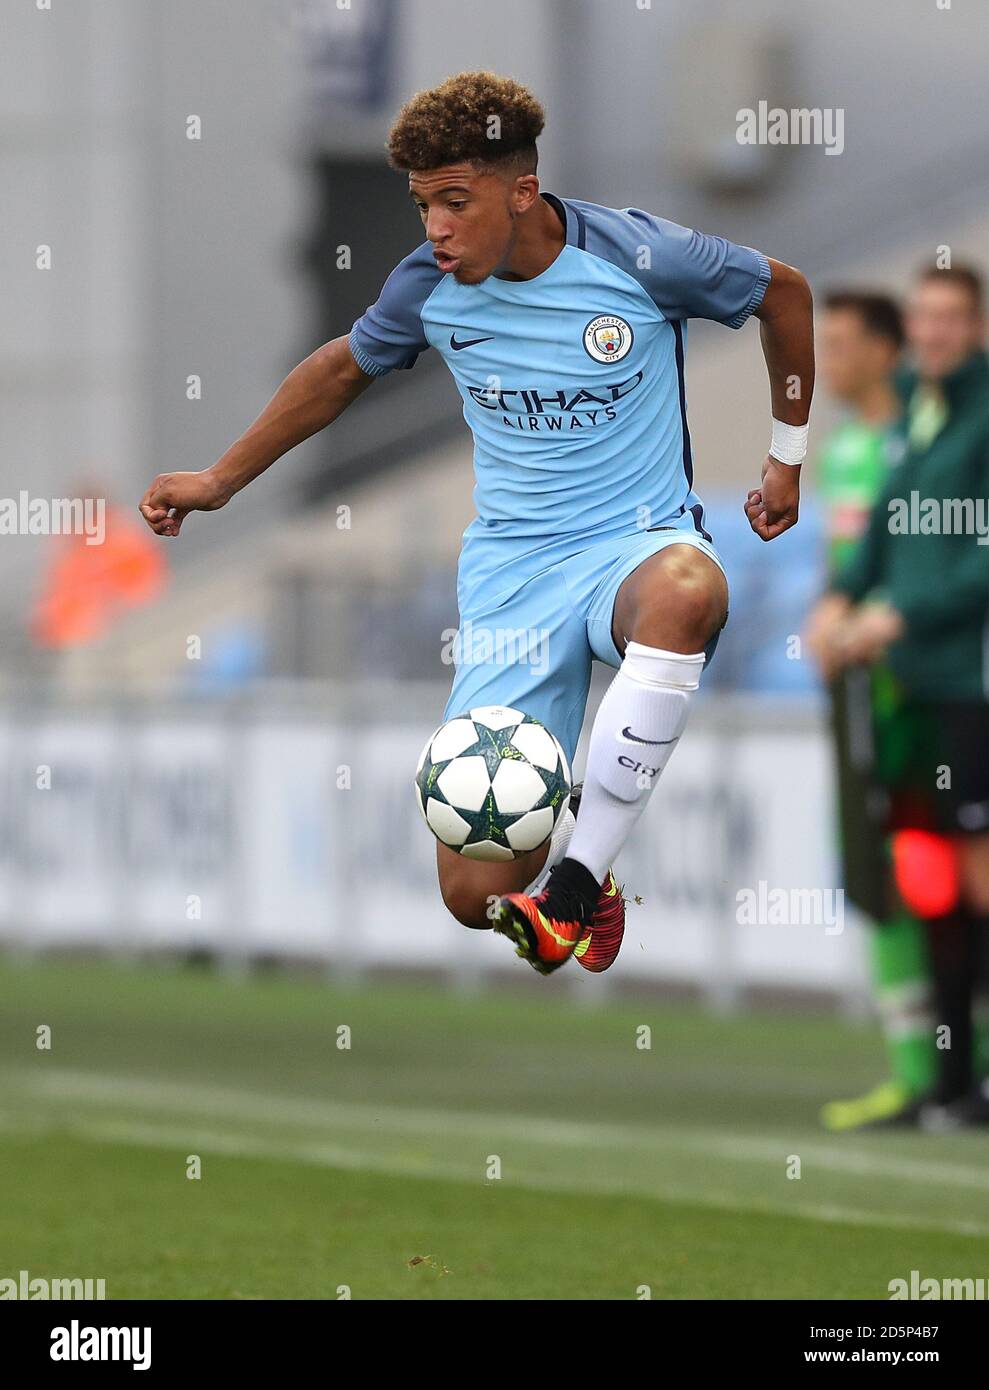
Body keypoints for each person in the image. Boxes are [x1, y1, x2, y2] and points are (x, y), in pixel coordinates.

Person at [138, 71, 814, 976]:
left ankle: (574, 887)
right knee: (475, 895)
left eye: (455, 202)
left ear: (522, 192)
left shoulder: (641, 258)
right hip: (512, 577)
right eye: (423, 206)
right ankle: (588, 874)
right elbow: (341, 370)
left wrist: (786, 456)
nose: (436, 230)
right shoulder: (429, 285)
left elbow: (786, 293)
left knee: (689, 593)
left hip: (635, 540)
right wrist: (220, 479)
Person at [809, 264, 989, 1127]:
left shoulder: (977, 413)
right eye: (924, 318)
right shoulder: (918, 411)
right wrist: (843, 596)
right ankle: (947, 1085)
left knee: (973, 877)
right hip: (916, 687)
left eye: (950, 318)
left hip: (971, 681)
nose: (933, 333)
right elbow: (884, 525)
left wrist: (897, 613)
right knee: (930, 882)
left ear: (977, 325)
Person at [808, 292, 938, 1131]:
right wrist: (827, 612)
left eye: (848, 343)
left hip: (921, 685)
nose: (831, 359)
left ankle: (956, 1068)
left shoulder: (918, 440)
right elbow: (843, 566)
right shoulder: (846, 446)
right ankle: (912, 1068)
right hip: (858, 687)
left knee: (938, 867)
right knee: (872, 869)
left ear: (890, 350)